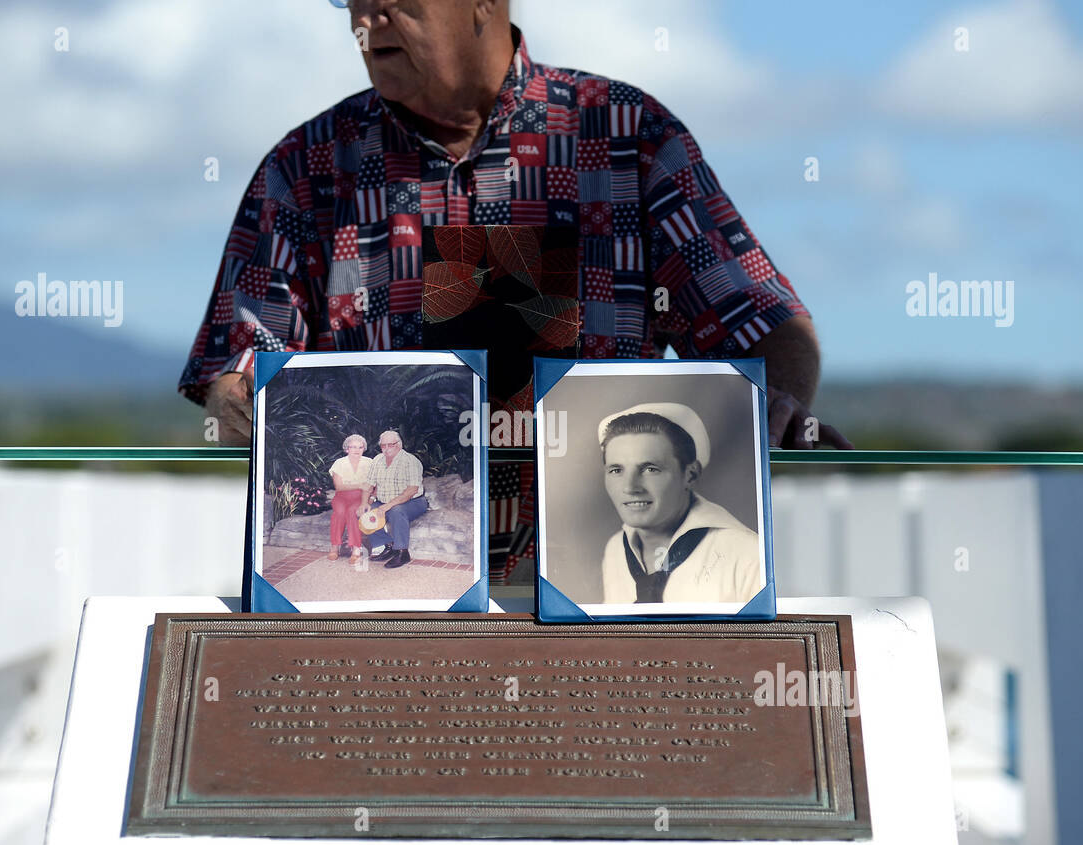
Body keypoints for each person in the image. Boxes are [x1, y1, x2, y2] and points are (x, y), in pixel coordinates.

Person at [179, 0, 851, 577]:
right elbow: (242, 362)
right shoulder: (306, 168)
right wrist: (238, 395)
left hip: (595, 585)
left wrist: (775, 407)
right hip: (390, 590)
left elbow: (767, 328)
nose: (366, 13)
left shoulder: (627, 138)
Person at [598, 403, 762, 605]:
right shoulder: (615, 549)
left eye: (650, 469)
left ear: (690, 474)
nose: (630, 487)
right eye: (616, 470)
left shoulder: (747, 553)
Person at [358, 430, 428, 568]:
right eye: (383, 445)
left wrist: (386, 506)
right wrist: (364, 503)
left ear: (400, 445)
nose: (387, 448)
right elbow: (368, 485)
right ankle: (388, 545)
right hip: (384, 501)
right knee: (366, 513)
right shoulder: (377, 460)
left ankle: (402, 552)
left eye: (391, 445)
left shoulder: (411, 461)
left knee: (396, 511)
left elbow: (411, 491)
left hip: (413, 501)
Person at [327, 433, 371, 560]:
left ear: (364, 449)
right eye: (353, 447)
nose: (357, 450)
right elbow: (339, 487)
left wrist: (369, 497)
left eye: (360, 447)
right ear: (347, 449)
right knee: (339, 513)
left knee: (353, 512)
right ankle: (335, 547)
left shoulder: (370, 463)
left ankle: (356, 549)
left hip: (361, 497)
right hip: (341, 496)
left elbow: (372, 485)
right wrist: (360, 484)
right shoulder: (339, 463)